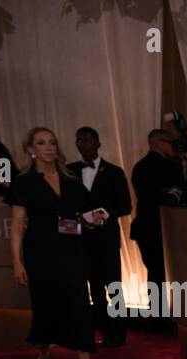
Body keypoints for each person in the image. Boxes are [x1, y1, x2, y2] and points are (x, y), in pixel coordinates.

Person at [4, 127, 106, 359]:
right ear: (31, 149)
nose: (48, 147)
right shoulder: (24, 182)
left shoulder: (71, 180)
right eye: (41, 143)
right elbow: (17, 225)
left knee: (80, 306)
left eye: (52, 142)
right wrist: (17, 262)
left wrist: (95, 219)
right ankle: (44, 355)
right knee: (45, 307)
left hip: (72, 252)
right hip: (40, 254)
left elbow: (84, 216)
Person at [69, 126, 132, 346]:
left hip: (107, 240)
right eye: (79, 140)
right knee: (94, 288)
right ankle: (104, 332)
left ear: (98, 143)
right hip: (81, 241)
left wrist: (103, 214)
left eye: (86, 140)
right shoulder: (68, 172)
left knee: (114, 287)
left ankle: (119, 333)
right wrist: (78, 218)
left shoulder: (114, 172)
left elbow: (125, 206)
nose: (82, 144)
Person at [130, 129, 185, 333]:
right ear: (159, 143)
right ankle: (163, 318)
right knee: (162, 273)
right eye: (171, 142)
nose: (174, 147)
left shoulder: (140, 166)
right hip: (162, 227)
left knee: (155, 272)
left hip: (145, 228)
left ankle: (158, 315)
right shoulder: (169, 167)